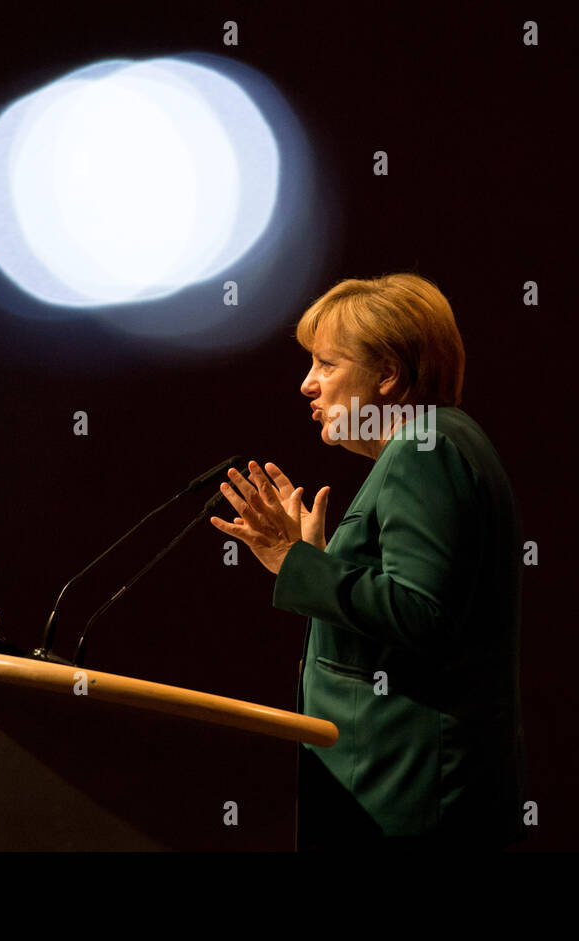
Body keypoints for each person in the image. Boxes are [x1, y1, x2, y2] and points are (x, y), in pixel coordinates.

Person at [210, 273, 526, 848]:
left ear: (388, 375)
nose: (307, 384)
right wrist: (319, 560)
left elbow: (423, 613)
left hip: (409, 799)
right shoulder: (439, 443)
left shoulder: (424, 451)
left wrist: (294, 562)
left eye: (327, 365)